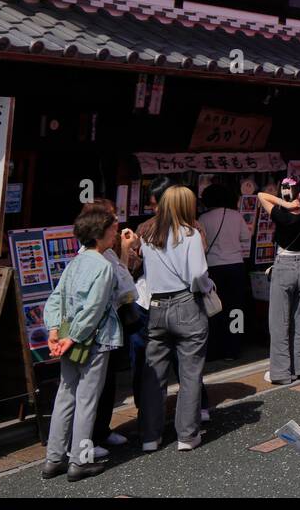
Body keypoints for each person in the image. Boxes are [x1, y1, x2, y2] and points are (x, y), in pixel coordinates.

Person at [42, 205, 123, 481]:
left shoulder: (74, 263)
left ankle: (54, 458)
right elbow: (95, 308)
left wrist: (55, 331)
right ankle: (80, 460)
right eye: (112, 228)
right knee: (87, 400)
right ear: (99, 233)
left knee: (65, 396)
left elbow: (56, 298)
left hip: (67, 338)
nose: (116, 233)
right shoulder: (103, 266)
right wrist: (74, 336)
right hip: (94, 340)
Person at [139, 185, 213, 452]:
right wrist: (207, 287)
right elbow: (197, 275)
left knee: (154, 375)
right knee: (190, 373)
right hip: (186, 304)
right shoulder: (190, 234)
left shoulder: (147, 235)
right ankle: (187, 434)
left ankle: (150, 436)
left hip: (156, 306)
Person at [84, 199, 140, 458]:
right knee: (94, 386)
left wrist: (125, 250)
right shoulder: (91, 256)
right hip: (97, 331)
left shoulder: (106, 252)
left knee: (107, 382)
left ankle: (102, 430)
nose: (117, 224)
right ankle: (87, 439)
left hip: (109, 328)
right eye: (111, 219)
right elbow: (123, 287)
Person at [258, 178, 300, 384]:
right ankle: (299, 367)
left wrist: (285, 204)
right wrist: (294, 204)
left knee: (279, 322)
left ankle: (281, 372)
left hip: (284, 265)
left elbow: (261, 195)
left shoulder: (280, 214)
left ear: (284, 195)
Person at [199, 184, 251, 361]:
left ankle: (214, 349)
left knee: (213, 308)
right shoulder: (236, 216)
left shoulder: (203, 218)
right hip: (235, 266)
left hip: (213, 267)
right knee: (236, 309)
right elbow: (246, 237)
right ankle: (233, 349)